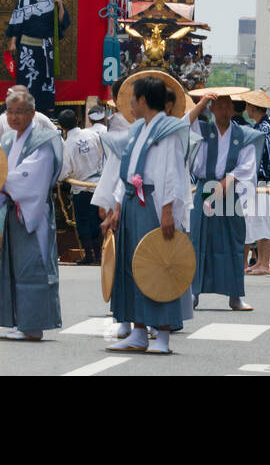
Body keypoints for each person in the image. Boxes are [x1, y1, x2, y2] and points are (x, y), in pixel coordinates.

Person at [95, 78, 194, 355]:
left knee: (158, 265)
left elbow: (171, 173)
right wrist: (115, 207)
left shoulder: (169, 130)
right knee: (130, 266)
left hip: (152, 203)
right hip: (130, 202)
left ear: (142, 100)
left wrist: (166, 211)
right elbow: (125, 172)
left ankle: (162, 334)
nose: (129, 105)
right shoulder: (138, 129)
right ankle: (138, 330)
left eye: (132, 99)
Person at [0, 87, 63, 342]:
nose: (15, 117)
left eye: (20, 112)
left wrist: (0, 182)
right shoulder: (7, 140)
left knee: (33, 266)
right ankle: (20, 320)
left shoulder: (43, 140)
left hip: (32, 211)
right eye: (10, 112)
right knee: (16, 267)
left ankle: (33, 325)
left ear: (32, 113)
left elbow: (31, 177)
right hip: (13, 208)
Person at [186, 90, 262, 311]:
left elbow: (247, 164)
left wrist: (229, 180)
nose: (225, 110)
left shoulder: (243, 134)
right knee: (199, 240)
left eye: (228, 106)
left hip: (229, 191)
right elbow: (183, 125)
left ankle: (235, 295)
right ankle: (193, 293)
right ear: (211, 109)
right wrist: (201, 104)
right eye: (219, 106)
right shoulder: (202, 128)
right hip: (205, 188)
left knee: (233, 241)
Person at [6, 0, 70, 115]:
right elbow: (17, 23)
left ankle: (46, 110)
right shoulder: (24, 0)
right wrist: (13, 43)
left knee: (46, 78)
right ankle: (23, 108)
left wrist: (60, 4)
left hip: (45, 47)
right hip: (27, 45)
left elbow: (62, 21)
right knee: (26, 78)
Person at [57, 108, 104, 265]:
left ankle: (90, 255)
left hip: (81, 188)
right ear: (77, 120)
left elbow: (64, 171)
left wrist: (61, 179)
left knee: (83, 221)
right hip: (98, 185)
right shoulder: (92, 135)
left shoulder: (67, 144)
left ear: (62, 127)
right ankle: (98, 255)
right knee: (96, 220)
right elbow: (103, 156)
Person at [239, 91, 270, 276]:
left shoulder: (263, 127)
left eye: (248, 105)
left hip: (262, 178)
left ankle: (265, 263)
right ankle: (261, 261)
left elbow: (262, 156)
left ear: (253, 107)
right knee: (257, 219)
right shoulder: (262, 125)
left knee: (262, 220)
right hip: (259, 178)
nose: (246, 108)